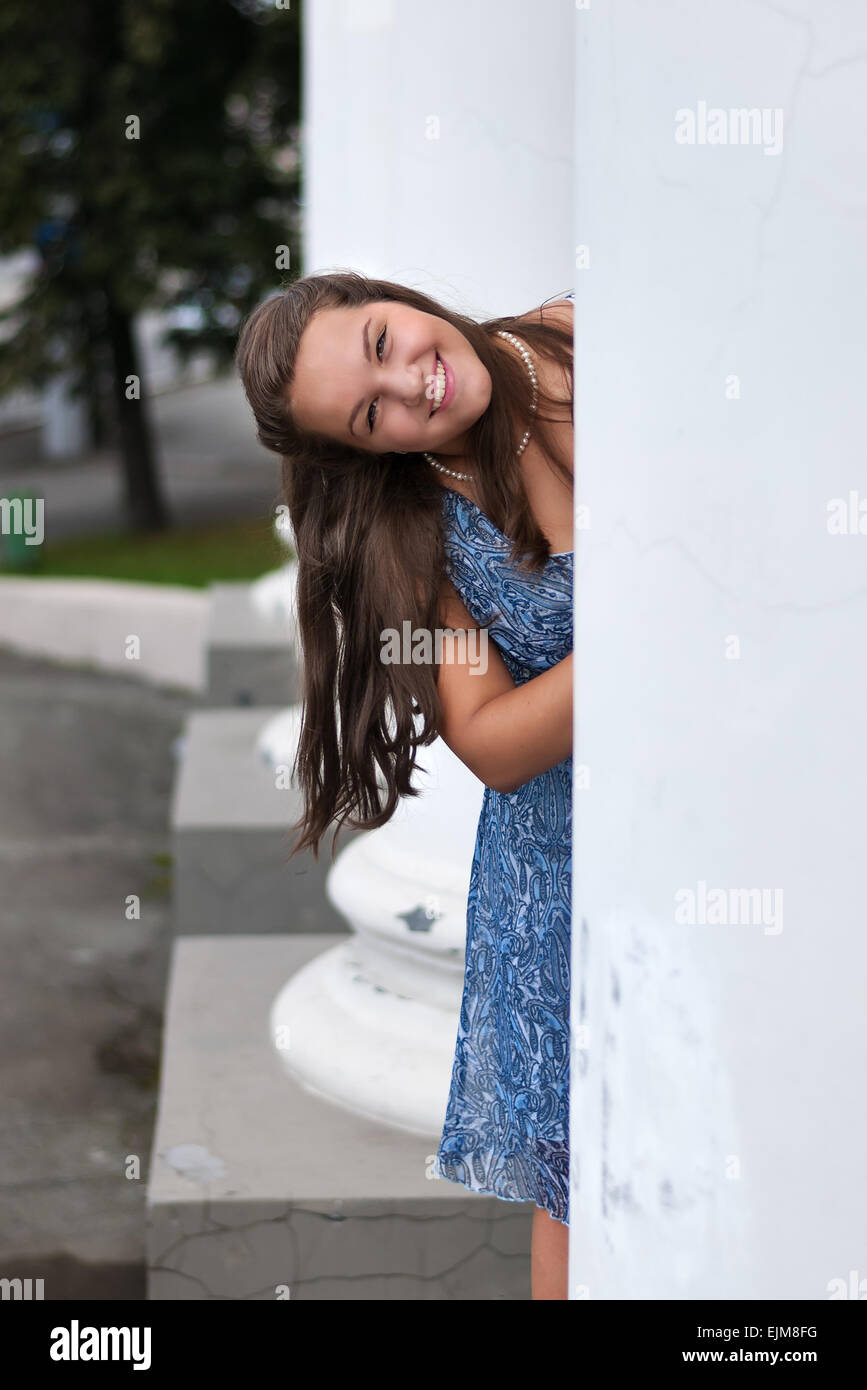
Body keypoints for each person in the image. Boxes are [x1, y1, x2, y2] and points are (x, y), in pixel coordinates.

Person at [234, 270, 575, 1300]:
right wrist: (659, 613)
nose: (411, 385)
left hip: (740, 818)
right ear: (363, 449)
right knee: (588, 1188)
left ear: (393, 295)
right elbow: (496, 743)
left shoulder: (584, 338)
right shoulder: (417, 532)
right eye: (370, 412)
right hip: (570, 870)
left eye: (383, 338)